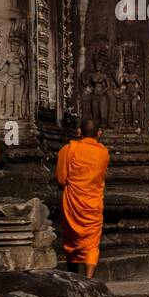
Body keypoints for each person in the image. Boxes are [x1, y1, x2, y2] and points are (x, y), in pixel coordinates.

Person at [55, 117, 110, 279]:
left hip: (73, 202)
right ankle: (89, 278)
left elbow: (60, 179)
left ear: (79, 131)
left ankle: (73, 276)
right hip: (93, 203)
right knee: (91, 242)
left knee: (71, 239)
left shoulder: (68, 149)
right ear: (99, 133)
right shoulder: (103, 153)